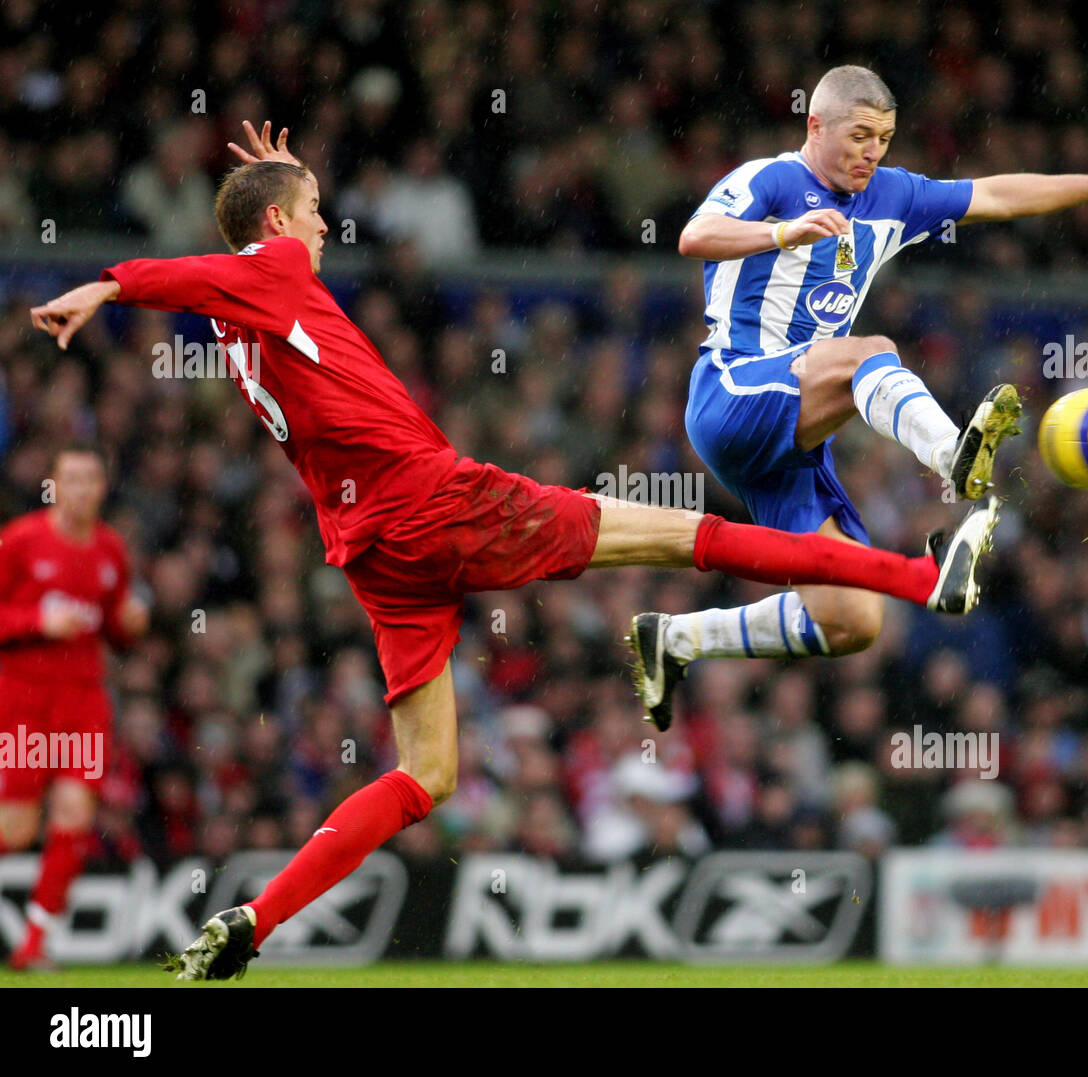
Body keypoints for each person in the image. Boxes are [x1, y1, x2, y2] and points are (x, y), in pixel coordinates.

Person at [28, 122, 1001, 980]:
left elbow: (220, 270)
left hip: (368, 552)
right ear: (281, 230)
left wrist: (263, 190)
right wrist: (106, 286)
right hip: (432, 500)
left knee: (425, 776)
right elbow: (196, 269)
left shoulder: (246, 316)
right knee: (677, 533)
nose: (327, 226)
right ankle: (924, 577)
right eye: (315, 210)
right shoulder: (272, 270)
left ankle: (255, 916)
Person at [629, 65, 1088, 730]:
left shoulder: (891, 194)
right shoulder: (771, 180)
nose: (872, 151)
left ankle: (678, 637)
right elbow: (695, 236)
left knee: (853, 618)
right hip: (733, 391)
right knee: (871, 350)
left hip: (791, 441)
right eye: (859, 135)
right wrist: (782, 233)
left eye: (883, 138)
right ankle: (953, 455)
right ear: (816, 124)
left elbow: (996, 195)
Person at [0, 446, 149, 970]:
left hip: (83, 702)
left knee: (74, 816)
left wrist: (128, 626)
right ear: (54, 485)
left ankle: (34, 945)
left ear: (102, 487)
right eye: (73, 479)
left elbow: (113, 628)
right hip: (23, 703)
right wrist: (36, 622)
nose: (83, 488)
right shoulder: (20, 541)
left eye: (92, 479)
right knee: (15, 830)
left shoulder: (111, 551)